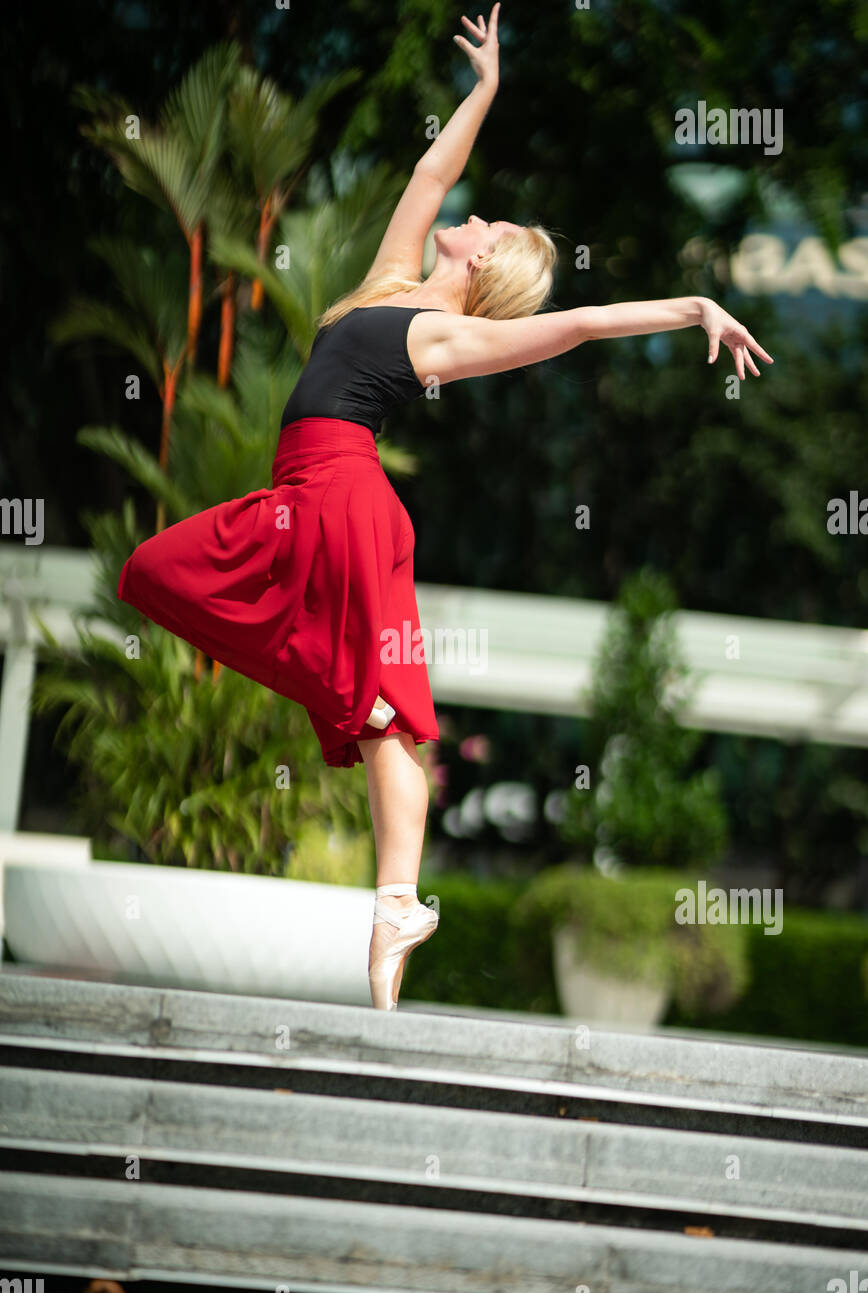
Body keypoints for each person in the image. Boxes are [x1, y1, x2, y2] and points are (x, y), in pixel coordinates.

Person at [117, 3, 772, 1012]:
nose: (479, 214)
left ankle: (391, 899)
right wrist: (486, 91)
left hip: (344, 499)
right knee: (157, 575)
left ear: (486, 264)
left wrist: (692, 308)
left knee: (384, 711)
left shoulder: (444, 336)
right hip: (305, 498)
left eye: (495, 227)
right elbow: (428, 175)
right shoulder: (390, 281)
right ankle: (395, 903)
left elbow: (581, 324)